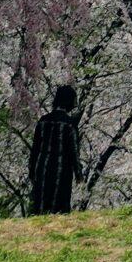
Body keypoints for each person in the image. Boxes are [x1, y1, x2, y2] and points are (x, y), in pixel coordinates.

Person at [28, 86, 81, 215]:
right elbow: (73, 151)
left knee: (41, 203)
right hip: (61, 169)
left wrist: (32, 170)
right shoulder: (70, 124)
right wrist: (78, 173)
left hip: (42, 167)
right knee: (58, 206)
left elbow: (35, 149)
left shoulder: (43, 121)